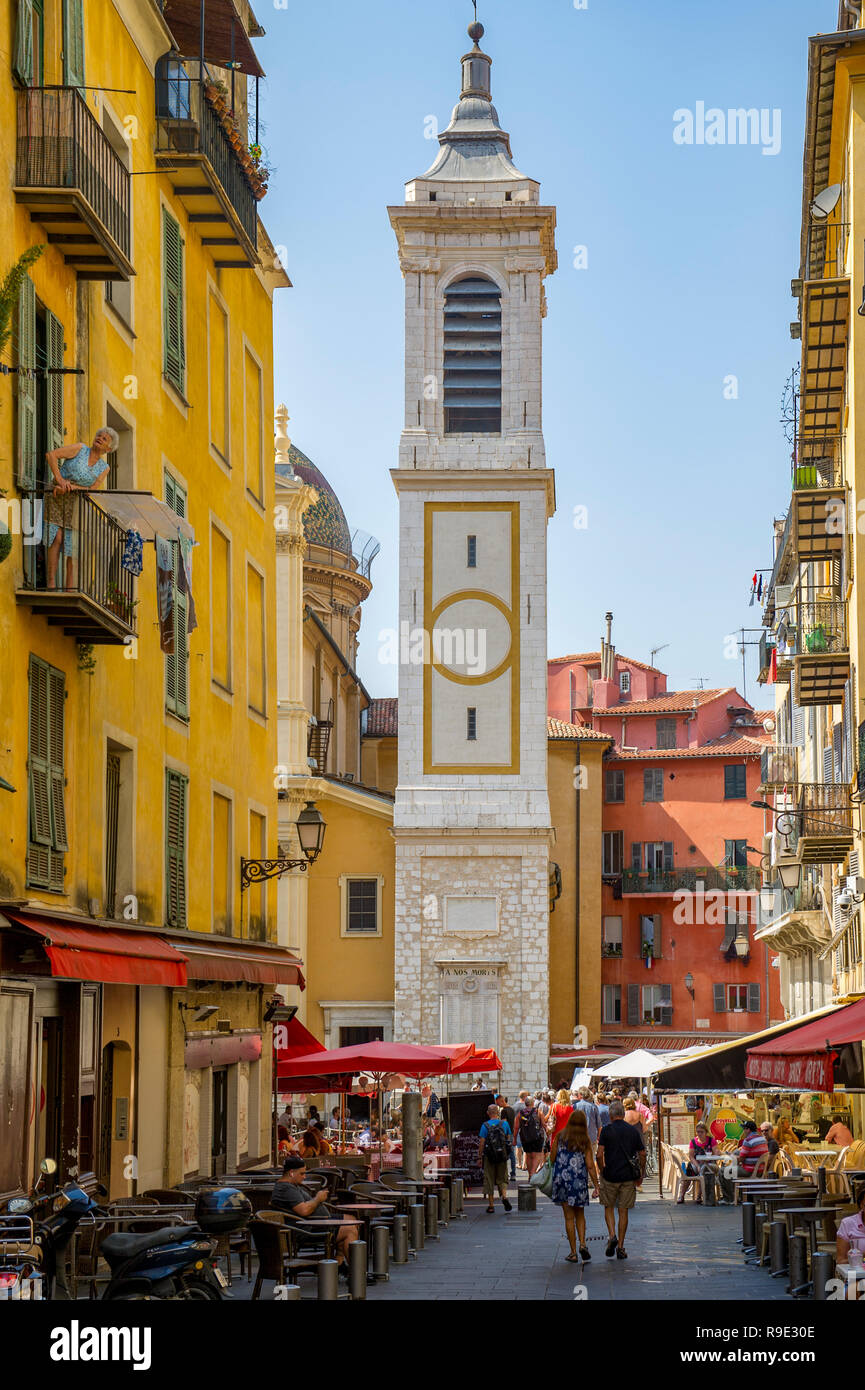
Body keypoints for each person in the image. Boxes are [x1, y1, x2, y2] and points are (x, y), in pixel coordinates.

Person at [45, 428, 118, 590]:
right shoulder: (79, 449)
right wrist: (60, 480)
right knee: (56, 537)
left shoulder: (104, 468)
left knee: (72, 545)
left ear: (108, 449)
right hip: (56, 497)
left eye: (105, 439)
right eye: (99, 435)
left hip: (76, 504)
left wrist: (71, 487)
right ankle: (51, 583)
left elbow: (91, 489)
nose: (100, 438)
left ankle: (69, 588)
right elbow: (51, 455)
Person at [270, 1155, 359, 1274]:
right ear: (291, 1173)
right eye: (301, 1174)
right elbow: (304, 1210)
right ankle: (356, 1274)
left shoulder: (291, 1186)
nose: (304, 1176)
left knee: (352, 1219)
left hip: (314, 1222)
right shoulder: (286, 1189)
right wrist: (318, 1199)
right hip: (306, 1229)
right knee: (350, 1229)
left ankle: (339, 1263)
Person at [596, 1099, 645, 1260]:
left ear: (610, 1115)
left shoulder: (606, 1131)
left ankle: (612, 1235)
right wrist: (641, 1173)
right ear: (623, 1115)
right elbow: (642, 1153)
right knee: (623, 1211)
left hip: (610, 1175)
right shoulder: (632, 1131)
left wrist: (602, 1170)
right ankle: (621, 1247)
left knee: (608, 1207)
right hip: (628, 1177)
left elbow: (599, 1154)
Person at [551, 1109, 600, 1263]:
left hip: (562, 1180)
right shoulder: (584, 1139)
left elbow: (552, 1158)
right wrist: (597, 1185)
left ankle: (573, 1252)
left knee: (568, 1217)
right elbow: (590, 1165)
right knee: (580, 1214)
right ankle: (583, 1244)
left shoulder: (560, 1136)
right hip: (578, 1181)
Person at [478, 1103, 513, 1214]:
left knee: (489, 1179)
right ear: (498, 1112)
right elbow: (508, 1140)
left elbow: (482, 1143)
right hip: (502, 1156)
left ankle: (491, 1205)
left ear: (488, 1113)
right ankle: (504, 1197)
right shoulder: (505, 1124)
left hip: (489, 1156)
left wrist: (480, 1156)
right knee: (502, 1178)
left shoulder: (485, 1126)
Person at [681, 1122, 715, 1205]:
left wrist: (714, 1154)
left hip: (709, 1164)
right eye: (698, 1132)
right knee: (689, 1171)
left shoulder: (711, 1140)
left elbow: (716, 1152)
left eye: (701, 1132)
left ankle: (699, 1196)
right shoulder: (693, 1142)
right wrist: (697, 1165)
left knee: (704, 1170)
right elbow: (691, 1156)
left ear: (706, 1132)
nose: (699, 1134)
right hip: (695, 1164)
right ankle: (681, 1195)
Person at [514, 1093, 546, 1178]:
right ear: (533, 1103)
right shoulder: (538, 1112)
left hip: (525, 1138)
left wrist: (514, 1139)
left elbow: (516, 1127)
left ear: (525, 1103)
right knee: (537, 1155)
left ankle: (530, 1174)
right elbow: (543, 1124)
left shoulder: (520, 1114)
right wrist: (548, 1133)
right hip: (537, 1138)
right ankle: (532, 1173)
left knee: (528, 1155)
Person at [836, 1186, 865, 1263]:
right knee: (852, 1275)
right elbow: (841, 1261)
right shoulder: (848, 1223)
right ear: (861, 1205)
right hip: (854, 1271)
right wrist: (862, 1258)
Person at [497, 1096, 517, 1180]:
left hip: (506, 1135)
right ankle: (513, 1173)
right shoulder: (512, 1109)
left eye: (498, 1103)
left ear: (502, 1101)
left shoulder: (504, 1111)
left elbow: (504, 1123)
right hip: (512, 1133)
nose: (497, 1104)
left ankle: (505, 1173)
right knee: (512, 1154)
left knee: (504, 1154)